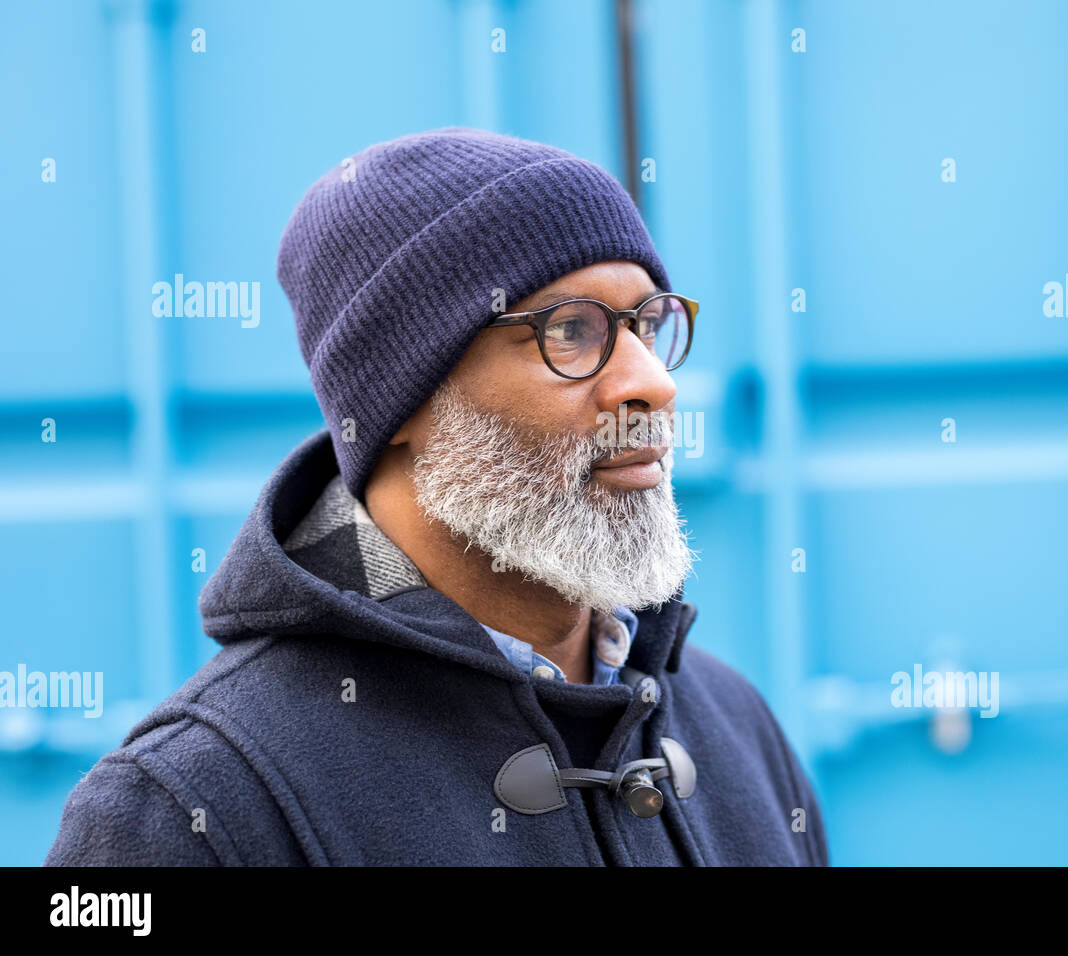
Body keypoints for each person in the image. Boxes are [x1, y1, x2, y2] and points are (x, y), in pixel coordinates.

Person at [44, 127, 828, 866]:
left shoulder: (731, 721)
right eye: (571, 332)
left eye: (647, 324)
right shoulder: (197, 805)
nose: (655, 385)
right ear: (403, 397)